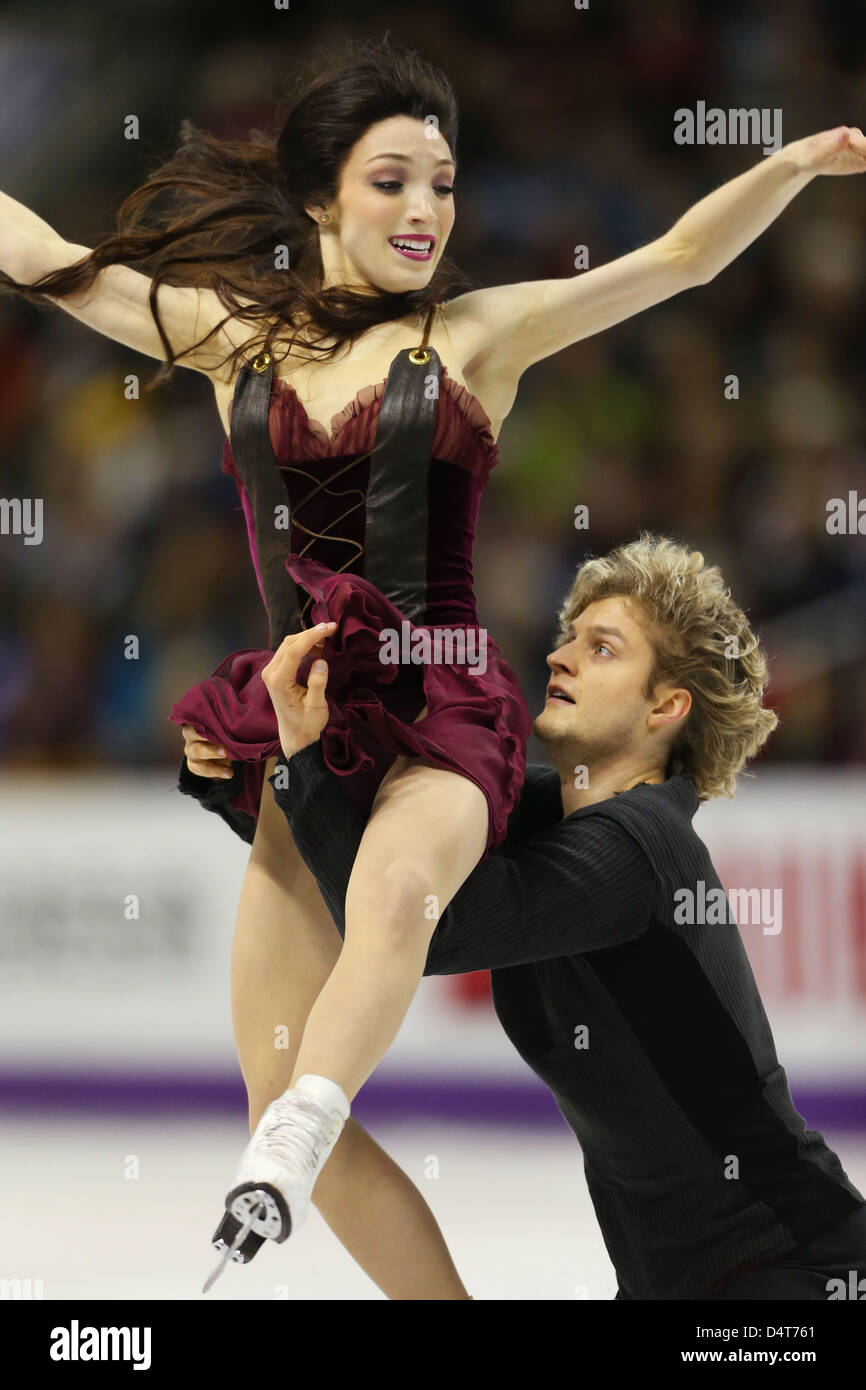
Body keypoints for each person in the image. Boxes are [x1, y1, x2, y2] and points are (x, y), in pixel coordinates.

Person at [3, 34, 864, 1296]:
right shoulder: (231, 341)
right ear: (320, 198)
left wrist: (788, 162)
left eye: (442, 184)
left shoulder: (474, 337)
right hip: (298, 722)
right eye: (392, 180)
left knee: (398, 890)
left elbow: (675, 262)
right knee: (277, 1067)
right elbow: (38, 262)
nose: (424, 210)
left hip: (439, 712)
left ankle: (289, 1146)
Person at [187, 534, 866, 1300]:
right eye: (567, 638)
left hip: (804, 1272)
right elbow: (367, 859)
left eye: (602, 649)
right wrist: (246, 770)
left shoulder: (644, 848)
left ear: (667, 707)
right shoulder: (543, 820)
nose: (560, 657)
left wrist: (304, 764)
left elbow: (426, 926)